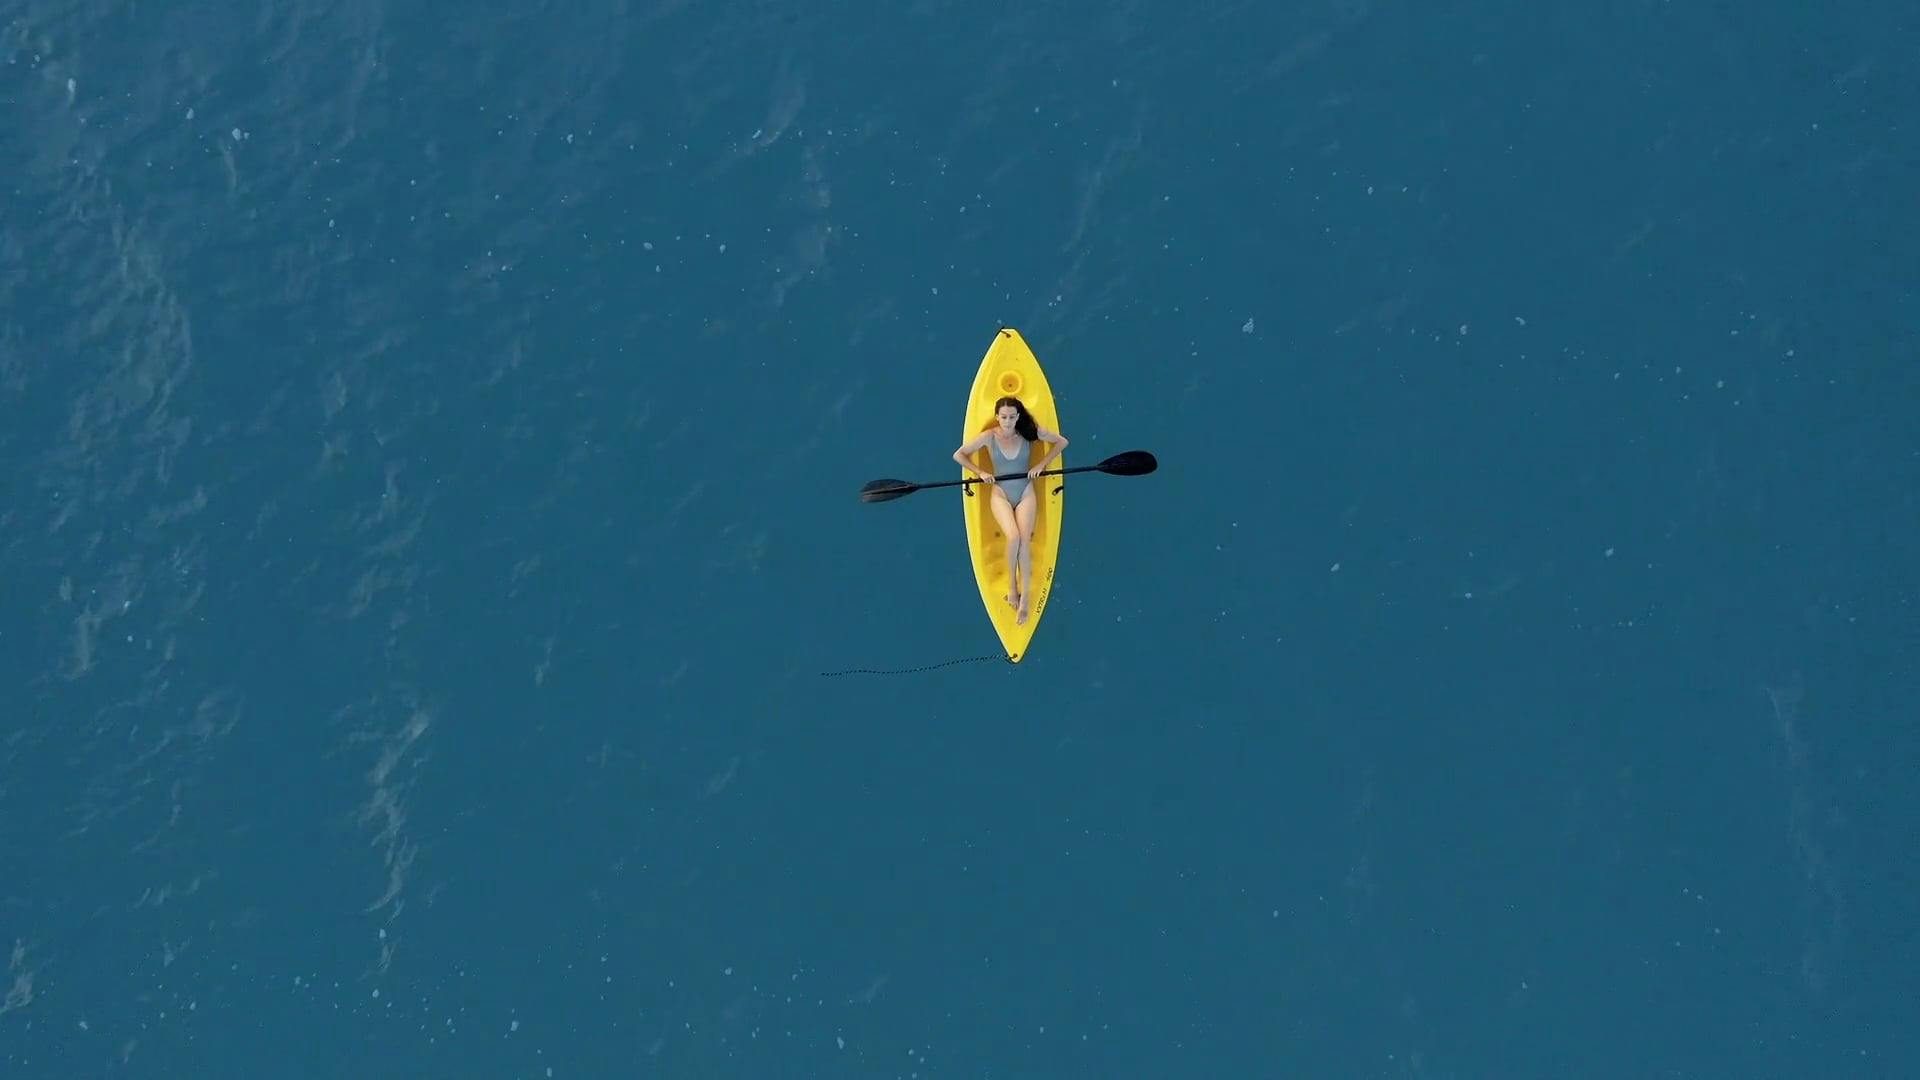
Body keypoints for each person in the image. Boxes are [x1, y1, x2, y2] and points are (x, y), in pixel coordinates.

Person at [952, 396, 1068, 625]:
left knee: (1024, 541)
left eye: (1012, 417)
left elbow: (1062, 442)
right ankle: (1012, 588)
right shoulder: (989, 436)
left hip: (1025, 491)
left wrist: (1041, 464)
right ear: (997, 417)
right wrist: (980, 472)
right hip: (1000, 494)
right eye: (1003, 417)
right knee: (1013, 537)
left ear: (1018, 417)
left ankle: (1024, 599)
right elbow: (959, 455)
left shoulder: (1029, 432)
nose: (1007, 422)